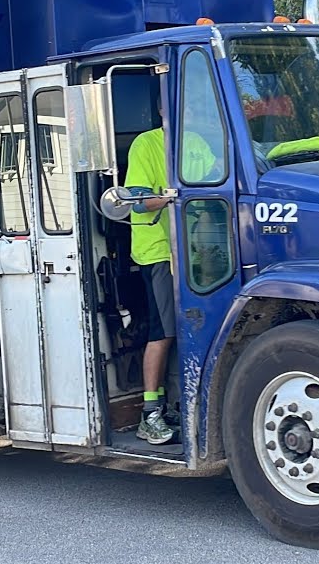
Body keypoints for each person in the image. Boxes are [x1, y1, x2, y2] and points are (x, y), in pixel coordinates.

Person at [123, 109, 214, 445]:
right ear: (163, 106)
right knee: (163, 332)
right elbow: (137, 202)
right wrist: (173, 197)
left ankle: (181, 406)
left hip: (194, 251)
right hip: (158, 251)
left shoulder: (198, 143)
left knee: (192, 327)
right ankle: (150, 415)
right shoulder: (145, 144)